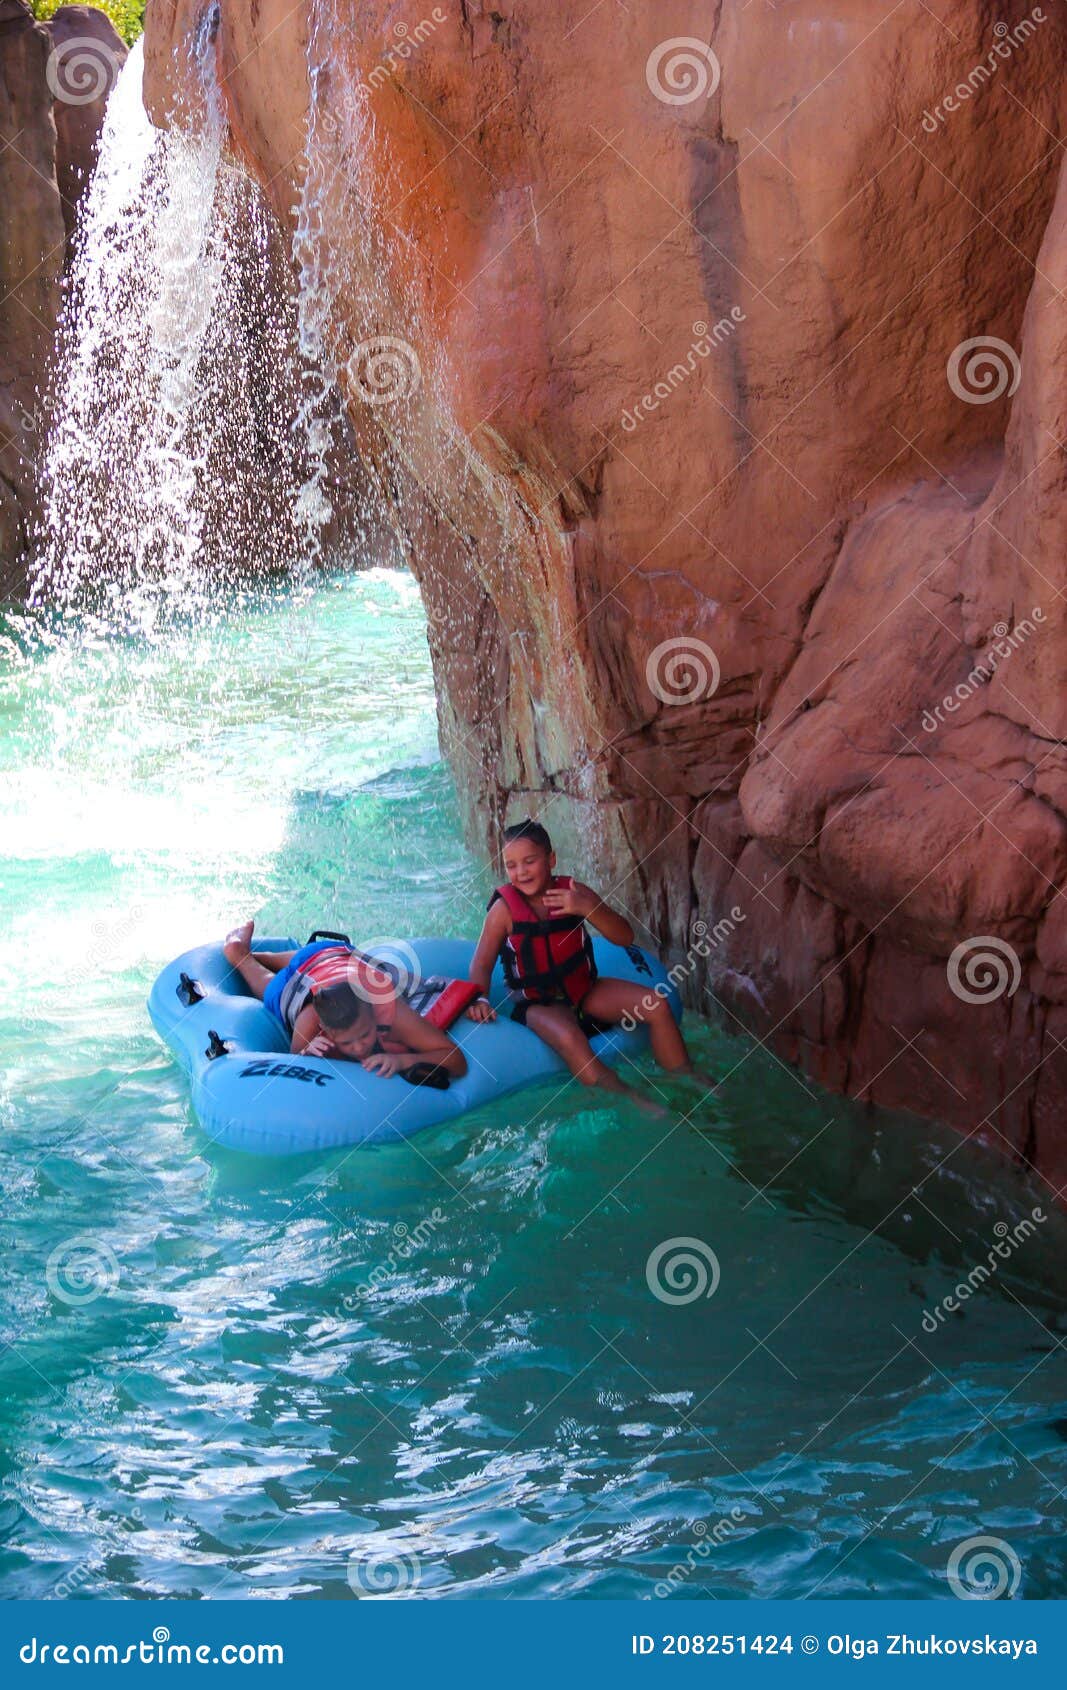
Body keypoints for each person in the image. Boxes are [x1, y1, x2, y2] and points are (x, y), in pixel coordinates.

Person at [467, 819, 702, 1106]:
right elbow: (481, 964)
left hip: (585, 990)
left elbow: (624, 937)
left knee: (658, 1005)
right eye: (511, 865)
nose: (521, 872)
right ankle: (634, 1101)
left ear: (551, 860)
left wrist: (587, 908)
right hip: (538, 1004)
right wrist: (479, 998)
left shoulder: (576, 893)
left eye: (529, 861)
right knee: (570, 1037)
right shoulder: (503, 911)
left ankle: (686, 1079)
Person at [221, 922, 466, 1079]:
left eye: (364, 1035)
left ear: (373, 1014)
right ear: (326, 1029)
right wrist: (304, 1055)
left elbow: (455, 1059)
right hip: (312, 971)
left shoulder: (390, 1009)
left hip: (334, 953)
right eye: (348, 1042)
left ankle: (272, 956)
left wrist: (403, 1060)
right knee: (268, 987)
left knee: (316, 957)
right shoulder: (309, 1022)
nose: (359, 1048)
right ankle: (239, 953)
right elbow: (293, 1080)